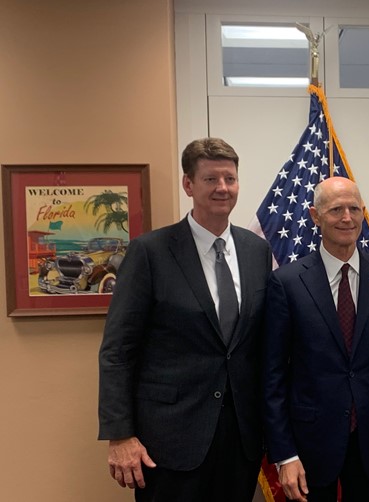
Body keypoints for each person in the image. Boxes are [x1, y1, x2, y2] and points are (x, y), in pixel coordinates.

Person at [98, 138, 272, 501]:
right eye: (211, 179)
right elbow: (118, 349)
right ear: (188, 185)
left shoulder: (257, 251)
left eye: (230, 178)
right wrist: (120, 434)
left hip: (240, 438)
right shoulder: (151, 251)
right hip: (169, 440)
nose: (222, 188)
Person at [263, 176, 369, 502]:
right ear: (315, 216)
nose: (346, 218)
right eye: (335, 210)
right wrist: (284, 454)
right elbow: (272, 376)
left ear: (363, 214)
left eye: (354, 209)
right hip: (307, 447)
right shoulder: (287, 283)